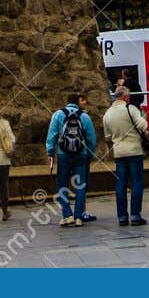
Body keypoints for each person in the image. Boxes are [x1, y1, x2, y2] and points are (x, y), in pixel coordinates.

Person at [46, 92, 98, 226]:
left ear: (67, 101)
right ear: (77, 102)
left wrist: (50, 152)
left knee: (62, 184)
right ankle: (79, 216)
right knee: (80, 185)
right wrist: (90, 153)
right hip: (81, 154)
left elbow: (52, 136)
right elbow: (91, 138)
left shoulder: (57, 115)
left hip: (63, 154)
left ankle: (67, 215)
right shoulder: (85, 117)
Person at [103, 84, 149, 227]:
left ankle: (122, 217)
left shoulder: (108, 114)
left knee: (121, 184)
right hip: (134, 151)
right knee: (136, 182)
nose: (129, 98)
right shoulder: (130, 109)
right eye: (128, 96)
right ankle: (135, 215)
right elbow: (143, 126)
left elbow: (107, 136)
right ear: (125, 96)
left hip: (119, 153)